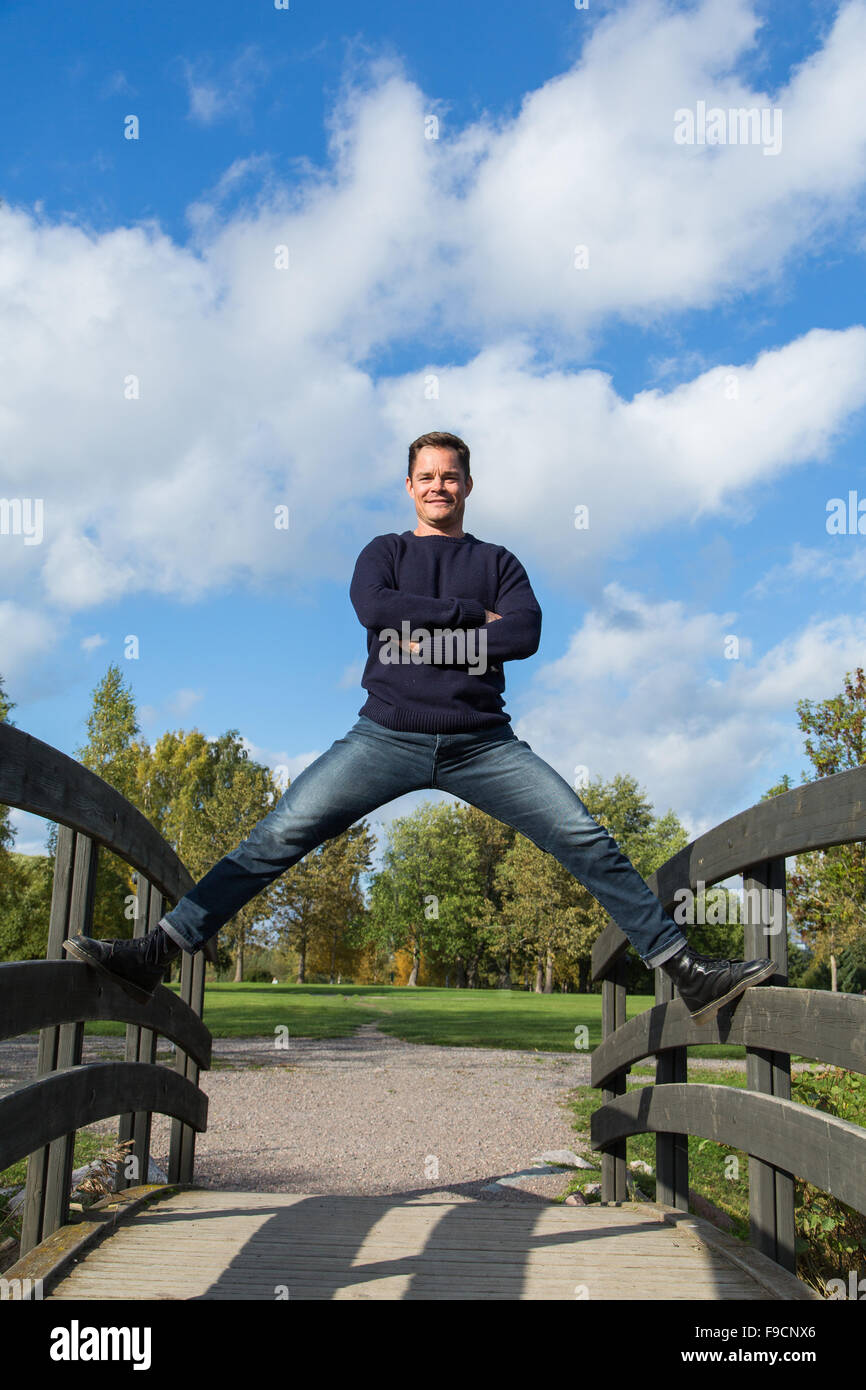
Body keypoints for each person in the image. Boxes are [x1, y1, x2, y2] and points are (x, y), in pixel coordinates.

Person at [65, 431, 774, 1024]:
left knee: (584, 836)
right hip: (385, 735)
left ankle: (684, 971)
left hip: (482, 743)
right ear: (410, 486)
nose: (439, 486)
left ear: (469, 485)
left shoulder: (498, 563)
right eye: (427, 476)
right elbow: (375, 609)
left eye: (451, 477)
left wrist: (426, 639)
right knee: (276, 835)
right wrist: (471, 623)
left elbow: (524, 633)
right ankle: (156, 952)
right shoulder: (384, 553)